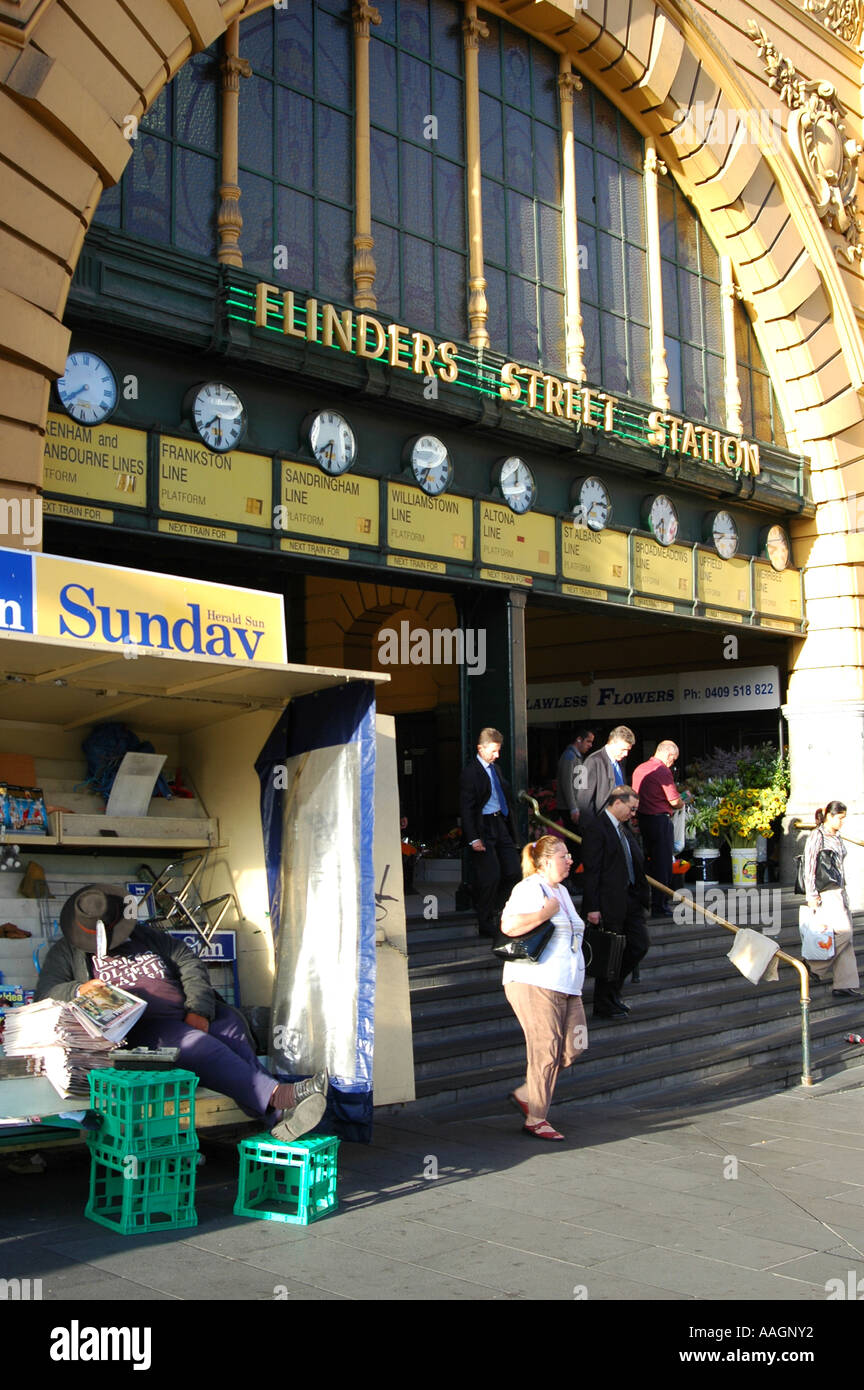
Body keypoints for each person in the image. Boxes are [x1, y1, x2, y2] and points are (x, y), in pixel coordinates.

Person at [35, 883, 329, 1140]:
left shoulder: (145, 936)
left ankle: (276, 1116)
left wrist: (198, 1008)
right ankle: (281, 1096)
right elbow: (46, 992)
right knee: (197, 1045)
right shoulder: (66, 952)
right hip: (142, 1030)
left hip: (187, 1012)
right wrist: (80, 989)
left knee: (231, 1025)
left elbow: (188, 960)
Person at [500, 835, 587, 1141]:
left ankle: (527, 1093)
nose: (570, 860)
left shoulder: (561, 890)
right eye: (565, 856)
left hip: (567, 983)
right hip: (534, 981)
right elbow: (508, 926)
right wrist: (543, 914)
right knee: (546, 1049)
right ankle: (536, 1117)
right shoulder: (528, 888)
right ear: (547, 860)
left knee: (575, 1045)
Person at [580, 786, 650, 1019]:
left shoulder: (624, 829)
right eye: (631, 808)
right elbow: (592, 870)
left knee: (638, 945)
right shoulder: (597, 828)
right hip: (609, 902)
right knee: (610, 953)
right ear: (617, 802)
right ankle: (605, 1002)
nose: (633, 813)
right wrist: (592, 907)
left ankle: (613, 994)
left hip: (630, 899)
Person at [459, 727, 521, 938]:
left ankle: (496, 907)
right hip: (482, 825)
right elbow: (466, 808)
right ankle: (485, 920)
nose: (497, 755)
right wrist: (473, 837)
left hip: (499, 821)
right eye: (493, 750)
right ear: (480, 748)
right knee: (490, 875)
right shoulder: (471, 772)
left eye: (498, 750)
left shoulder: (496, 769)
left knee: (513, 870)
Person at [804, 802, 861, 999]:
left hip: (839, 890)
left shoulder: (836, 836)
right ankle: (813, 966)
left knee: (848, 938)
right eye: (840, 817)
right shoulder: (816, 836)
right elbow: (809, 866)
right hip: (827, 892)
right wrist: (811, 895)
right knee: (844, 932)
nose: (842, 821)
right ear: (829, 815)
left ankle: (845, 983)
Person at [632, 739, 685, 916]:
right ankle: (660, 906)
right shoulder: (662, 770)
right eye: (673, 759)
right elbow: (674, 800)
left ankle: (648, 901)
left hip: (643, 820)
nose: (672, 763)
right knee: (662, 865)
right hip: (659, 820)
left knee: (648, 863)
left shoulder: (639, 769)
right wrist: (682, 801)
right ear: (669, 755)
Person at [575, 725, 636, 830]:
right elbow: (585, 801)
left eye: (628, 750)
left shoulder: (620, 762)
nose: (626, 754)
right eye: (623, 749)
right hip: (601, 824)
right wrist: (591, 831)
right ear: (612, 743)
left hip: (619, 823)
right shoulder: (593, 761)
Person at [556, 728, 595, 824]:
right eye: (588, 741)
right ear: (579, 739)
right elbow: (567, 784)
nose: (590, 745)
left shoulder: (575, 757)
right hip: (569, 808)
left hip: (575, 806)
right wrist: (573, 808)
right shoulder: (569, 757)